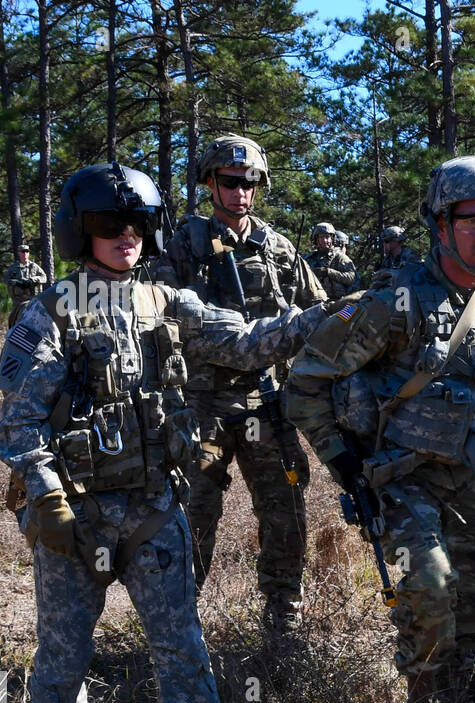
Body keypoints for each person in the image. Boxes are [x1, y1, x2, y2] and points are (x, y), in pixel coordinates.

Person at [0, 161, 332, 703]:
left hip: (155, 507)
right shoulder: (52, 312)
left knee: (180, 642)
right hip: (78, 512)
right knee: (62, 653)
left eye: (140, 223)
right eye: (108, 223)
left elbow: (247, 341)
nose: (127, 234)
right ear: (79, 230)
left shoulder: (166, 300)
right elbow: (17, 428)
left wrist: (328, 318)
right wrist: (47, 501)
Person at [287, 157, 475, 703]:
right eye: (473, 220)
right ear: (440, 223)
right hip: (400, 480)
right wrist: (343, 464)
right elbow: (305, 380)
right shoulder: (394, 300)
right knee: (429, 592)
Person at [155, 135, 326, 646]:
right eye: (229, 182)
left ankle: (282, 618)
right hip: (201, 403)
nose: (240, 191)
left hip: (265, 403)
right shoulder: (183, 244)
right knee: (193, 517)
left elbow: (318, 314)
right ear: (210, 183)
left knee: (286, 513)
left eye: (249, 182)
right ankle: (178, 625)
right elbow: (164, 319)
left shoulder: (277, 248)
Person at [305, 222, 359, 298]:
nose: (324, 240)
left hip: (337, 302)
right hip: (314, 301)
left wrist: (328, 272)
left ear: (332, 239)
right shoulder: (309, 258)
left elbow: (352, 277)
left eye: (327, 237)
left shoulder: (339, 257)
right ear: (316, 239)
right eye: (321, 237)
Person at [3, 243, 49, 327]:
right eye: (23, 252)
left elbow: (44, 277)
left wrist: (33, 280)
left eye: (27, 252)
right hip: (18, 301)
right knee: (15, 321)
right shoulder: (13, 268)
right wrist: (16, 282)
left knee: (37, 321)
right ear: (19, 253)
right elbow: (6, 280)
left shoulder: (34, 266)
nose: (25, 254)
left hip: (33, 300)